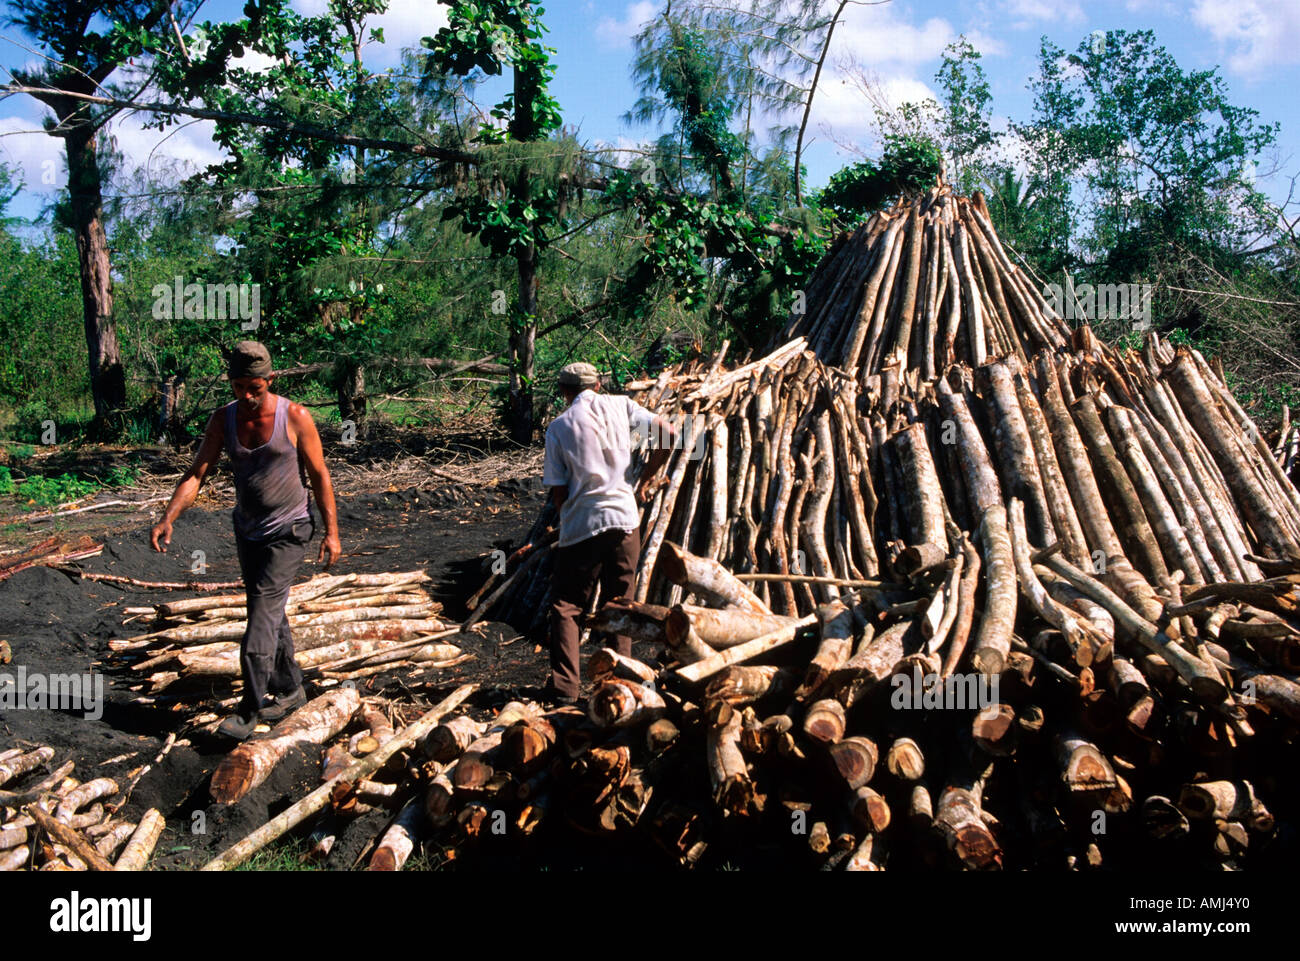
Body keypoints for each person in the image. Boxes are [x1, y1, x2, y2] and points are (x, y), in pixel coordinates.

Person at [151, 341, 342, 740]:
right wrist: (168, 517)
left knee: (260, 617)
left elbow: (321, 475)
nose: (248, 396)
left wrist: (332, 532)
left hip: (290, 530)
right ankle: (291, 690)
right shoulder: (224, 420)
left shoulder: (295, 416)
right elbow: (196, 474)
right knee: (270, 610)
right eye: (239, 387)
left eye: (255, 387)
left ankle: (249, 708)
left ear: (270, 380)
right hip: (248, 531)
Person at [541, 362, 677, 705]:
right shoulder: (622, 405)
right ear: (598, 385)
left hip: (583, 524)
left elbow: (558, 491)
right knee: (621, 602)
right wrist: (645, 479)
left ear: (564, 391)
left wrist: (568, 516)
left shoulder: (558, 427)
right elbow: (670, 434)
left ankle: (565, 690)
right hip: (624, 519)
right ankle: (623, 684)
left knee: (567, 606)